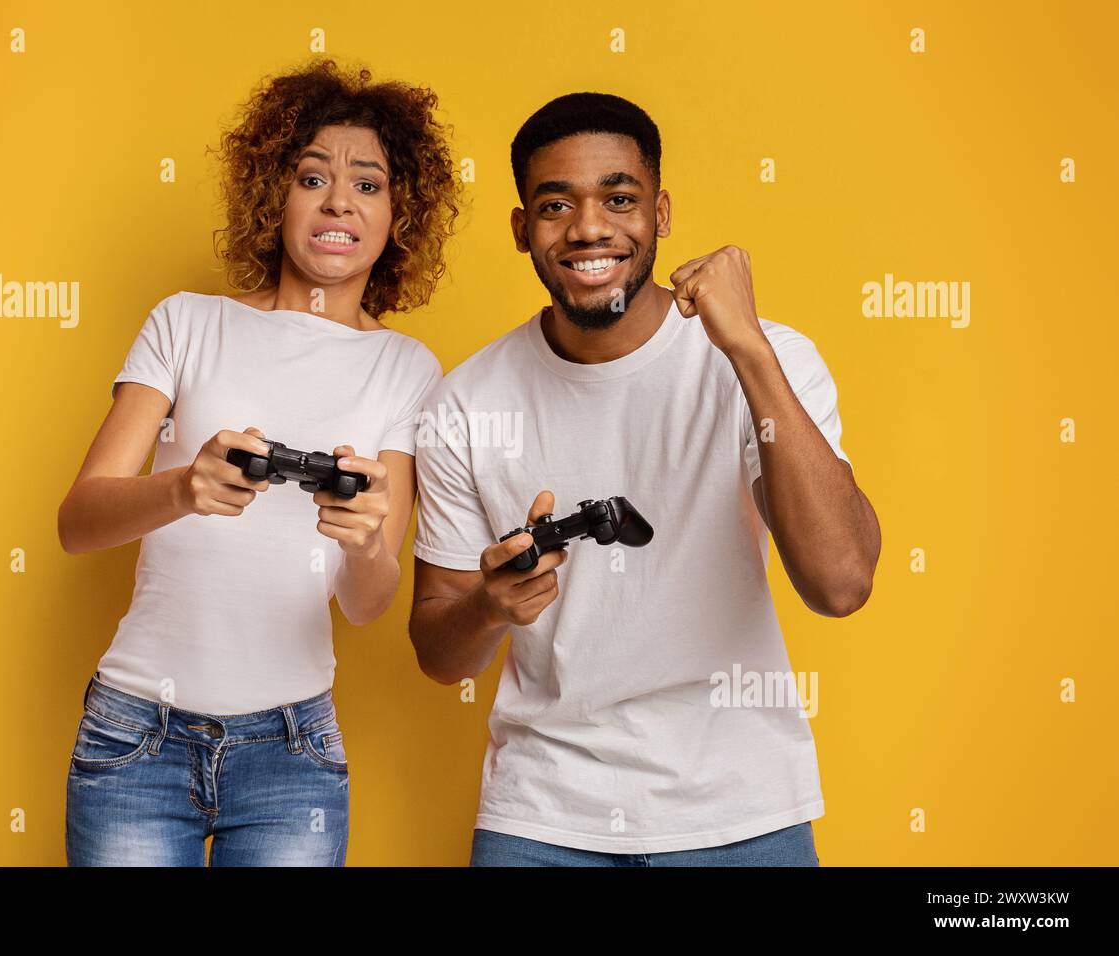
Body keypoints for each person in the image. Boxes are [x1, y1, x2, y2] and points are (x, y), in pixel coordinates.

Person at [408, 92, 881, 866]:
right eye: (556, 205)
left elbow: (841, 583)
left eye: (618, 198)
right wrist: (489, 606)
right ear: (522, 229)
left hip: (742, 813)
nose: (589, 228)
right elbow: (440, 653)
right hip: (543, 818)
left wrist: (748, 353)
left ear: (659, 214)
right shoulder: (467, 402)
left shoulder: (768, 360)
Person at [59, 58, 460, 866]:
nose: (339, 201)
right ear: (273, 193)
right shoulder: (186, 323)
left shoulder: (406, 368)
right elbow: (78, 523)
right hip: (136, 732)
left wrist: (359, 538)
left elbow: (371, 602)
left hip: (292, 752)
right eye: (313, 176)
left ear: (398, 216)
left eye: (369, 185)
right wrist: (183, 486)